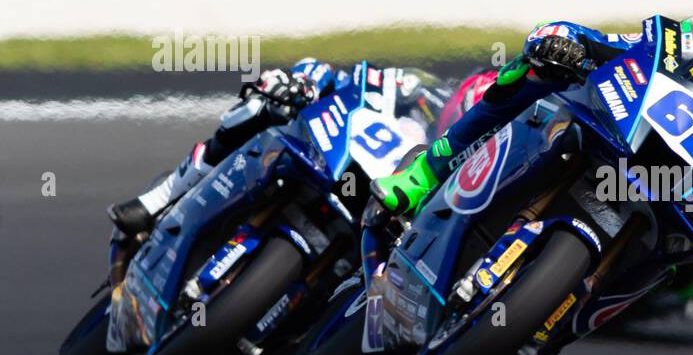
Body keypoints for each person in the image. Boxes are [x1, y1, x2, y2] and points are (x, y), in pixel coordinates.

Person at [370, 12, 693, 323]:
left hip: (671, 219)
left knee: (664, 272)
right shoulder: (690, 49)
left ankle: (557, 318)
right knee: (532, 71)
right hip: (617, 144)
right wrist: (568, 44)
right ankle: (426, 174)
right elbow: (604, 43)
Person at [108, 59, 467, 237]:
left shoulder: (469, 178)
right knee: (269, 103)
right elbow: (357, 79)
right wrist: (305, 82)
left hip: (375, 211)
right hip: (330, 159)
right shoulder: (425, 95)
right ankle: (162, 197)